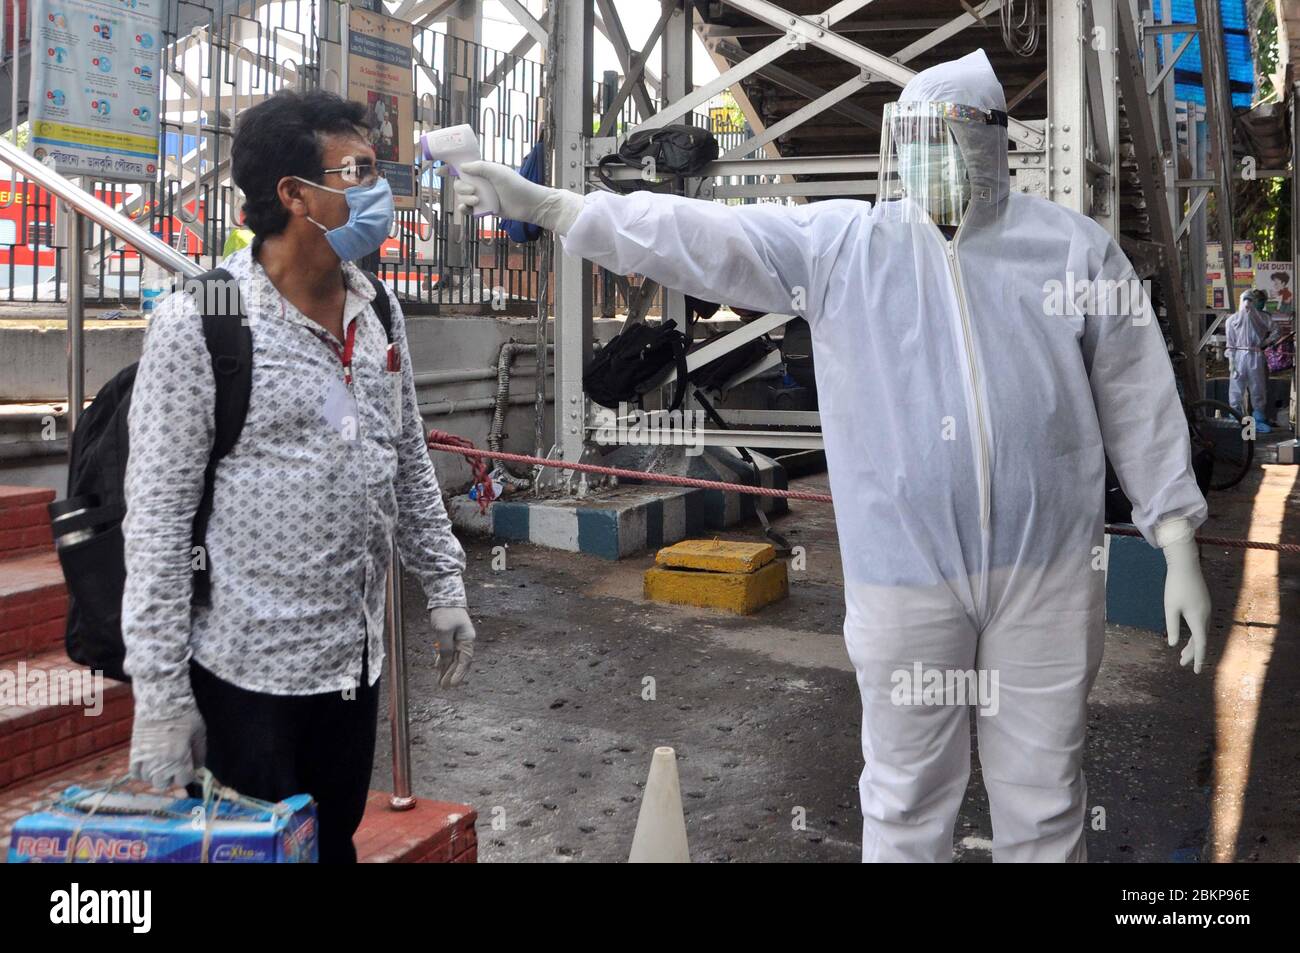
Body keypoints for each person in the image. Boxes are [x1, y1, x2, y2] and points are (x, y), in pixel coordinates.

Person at [453, 50, 1212, 862]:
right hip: (905, 576)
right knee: (906, 797)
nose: (933, 157)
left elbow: (1137, 391)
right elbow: (705, 237)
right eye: (916, 138)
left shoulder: (1071, 252)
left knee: (1048, 793)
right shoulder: (848, 247)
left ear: (997, 142)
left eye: (951, 136)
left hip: (1049, 576)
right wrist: (563, 209)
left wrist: (1175, 536)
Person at [122, 88, 475, 862]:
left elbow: (404, 454)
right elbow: (155, 521)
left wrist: (443, 585)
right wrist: (158, 692)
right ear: (293, 194)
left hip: (352, 666)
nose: (380, 194)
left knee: (331, 844)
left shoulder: (377, 308)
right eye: (358, 173)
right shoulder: (203, 319)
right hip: (245, 674)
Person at [1226, 288, 1277, 432]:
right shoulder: (1232, 320)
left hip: (1256, 354)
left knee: (1257, 387)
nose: (1248, 305)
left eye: (1251, 301)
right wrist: (1232, 362)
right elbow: (1230, 344)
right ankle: (1234, 417)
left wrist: (1264, 343)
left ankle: (1259, 418)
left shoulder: (1263, 318)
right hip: (1238, 356)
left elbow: (1276, 331)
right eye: (1245, 301)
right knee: (1236, 388)